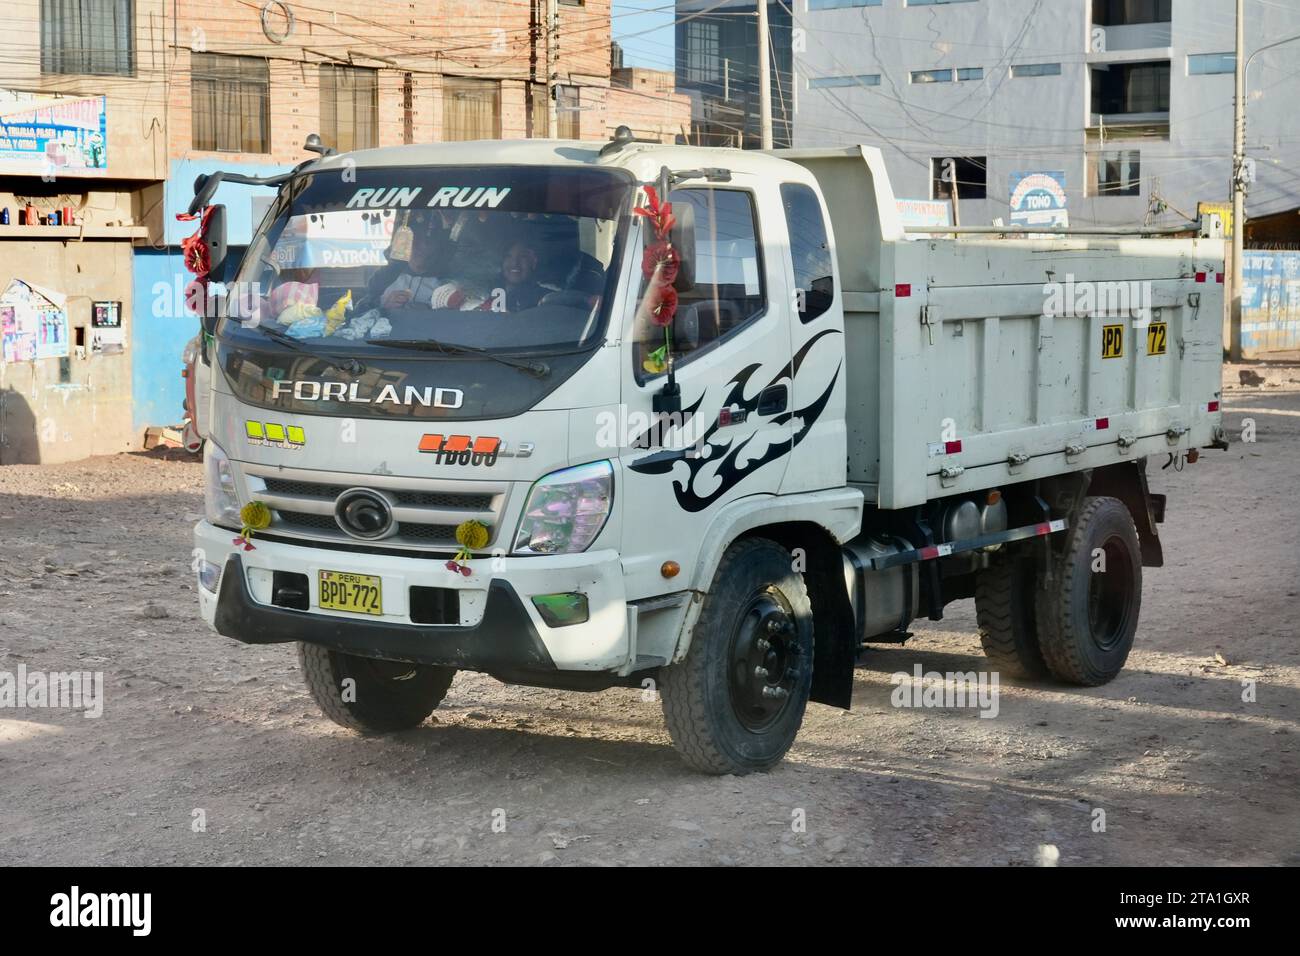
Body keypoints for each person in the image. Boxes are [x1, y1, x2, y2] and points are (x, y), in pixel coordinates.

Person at [496, 241, 546, 311]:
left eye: (523, 256)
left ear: (533, 262)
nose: (514, 263)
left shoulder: (546, 301)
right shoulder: (490, 298)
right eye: (508, 256)